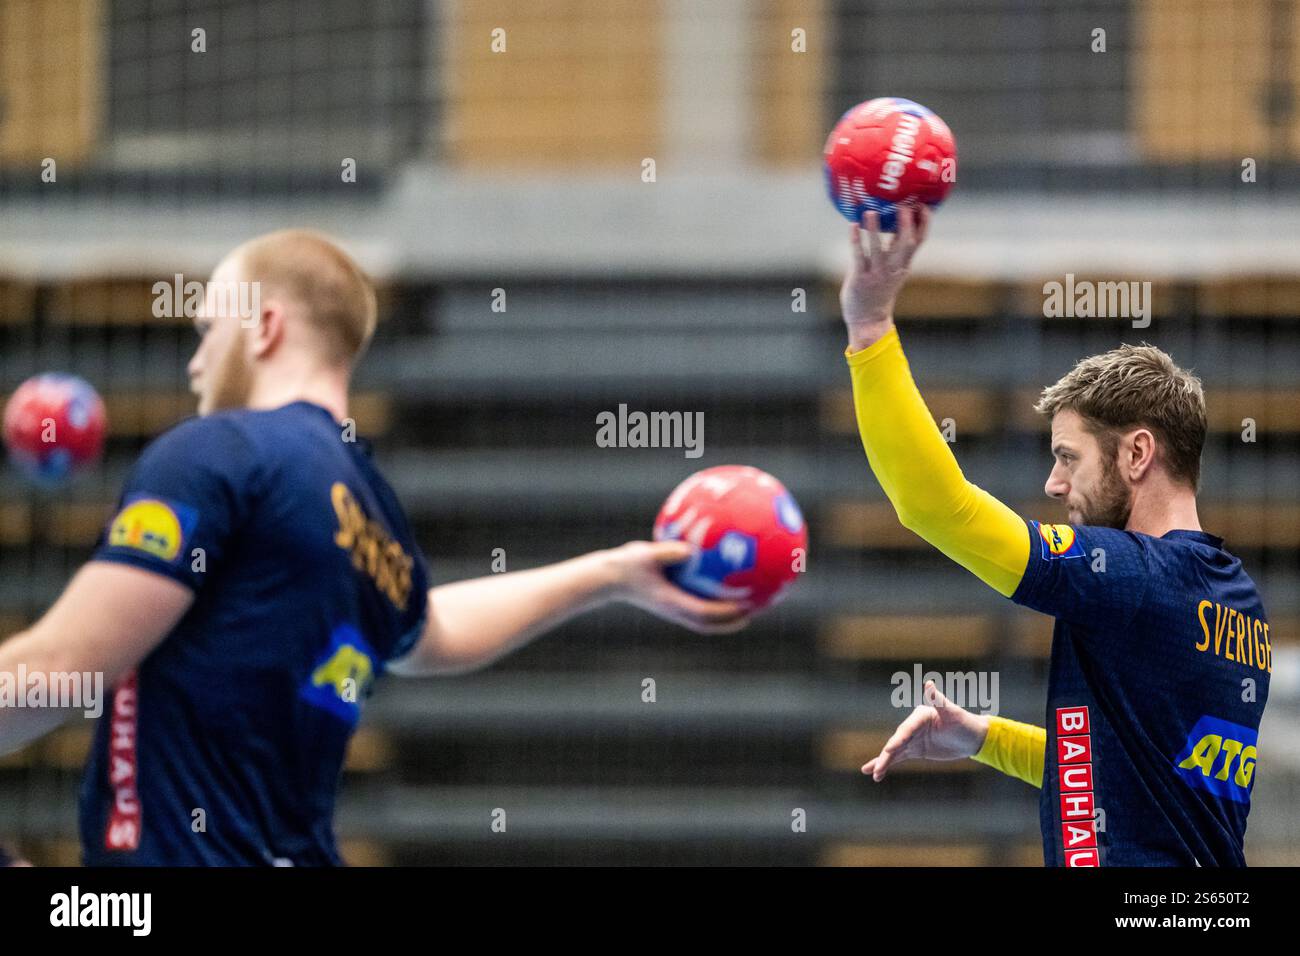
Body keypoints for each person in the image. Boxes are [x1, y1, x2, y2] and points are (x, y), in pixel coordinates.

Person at [0, 229, 748, 865]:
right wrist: (609, 574)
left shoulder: (217, 453)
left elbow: (60, 669)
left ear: (262, 326)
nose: (195, 362)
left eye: (206, 331)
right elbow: (431, 631)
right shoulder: (369, 512)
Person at [846, 206, 1269, 866]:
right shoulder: (1236, 599)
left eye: (1069, 457)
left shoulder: (1135, 579)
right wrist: (985, 737)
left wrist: (870, 331)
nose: (1053, 483)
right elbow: (1130, 782)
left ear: (1137, 454)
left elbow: (935, 507)